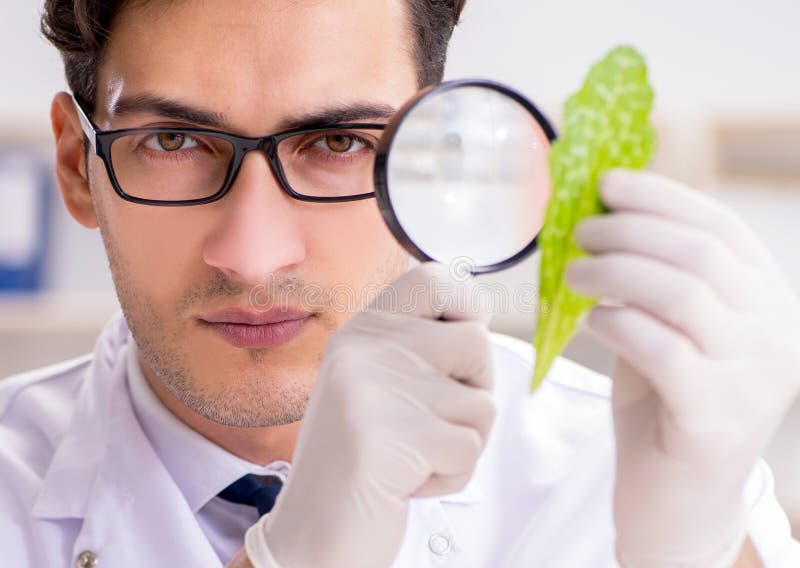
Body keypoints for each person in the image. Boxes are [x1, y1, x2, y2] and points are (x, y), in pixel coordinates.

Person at [1, 0, 798, 566]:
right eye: (173, 140)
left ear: (435, 153)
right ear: (78, 166)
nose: (252, 256)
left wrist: (695, 552)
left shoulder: (635, 472)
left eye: (339, 141)